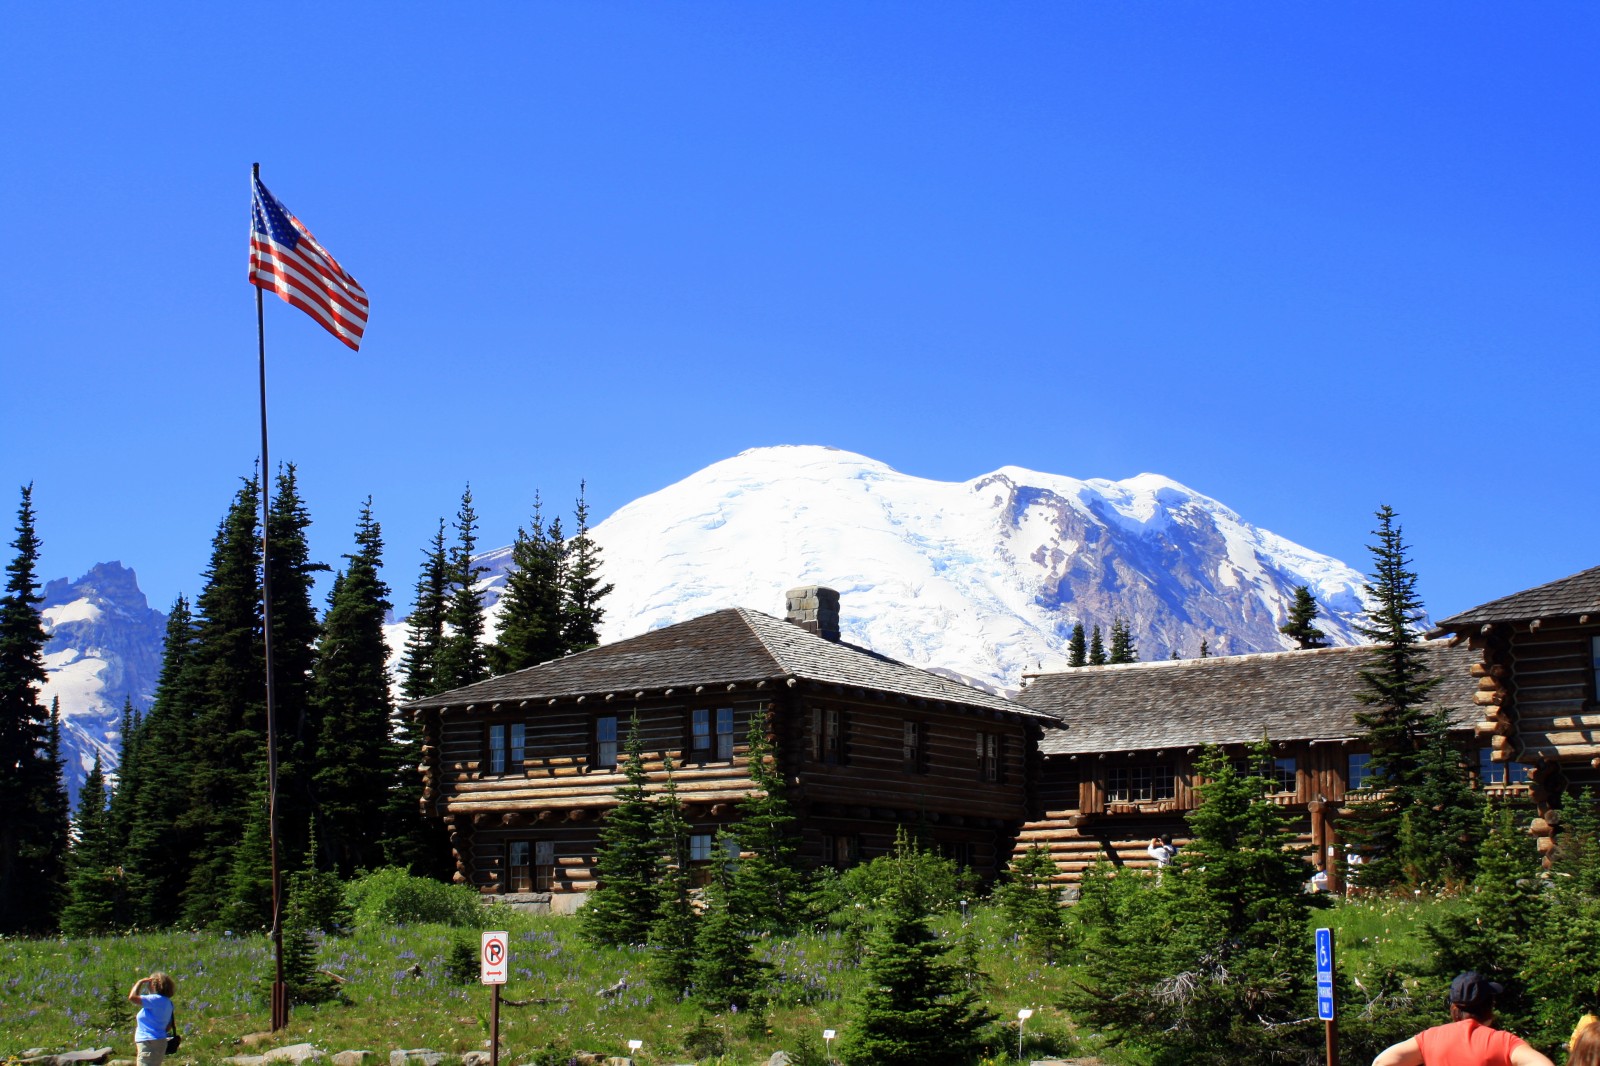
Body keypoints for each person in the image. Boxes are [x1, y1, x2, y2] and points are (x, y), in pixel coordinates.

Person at [1370, 972, 1552, 1066]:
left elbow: (1381, 1062)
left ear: (1454, 1008)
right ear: (1490, 1006)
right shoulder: (1503, 1042)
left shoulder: (1431, 1039)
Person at [127, 971, 176, 1066]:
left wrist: (139, 983)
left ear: (154, 985)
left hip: (148, 1042)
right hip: (160, 1042)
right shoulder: (168, 1003)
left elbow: (132, 998)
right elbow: (168, 1026)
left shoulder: (154, 999)